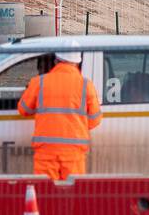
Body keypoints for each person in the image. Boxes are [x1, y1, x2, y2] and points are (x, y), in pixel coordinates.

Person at [17, 44, 102, 180]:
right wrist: (76, 125)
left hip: (46, 153)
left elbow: (23, 109)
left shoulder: (40, 82)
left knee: (46, 194)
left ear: (56, 61)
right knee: (71, 195)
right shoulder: (86, 85)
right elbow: (95, 119)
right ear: (78, 62)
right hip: (74, 152)